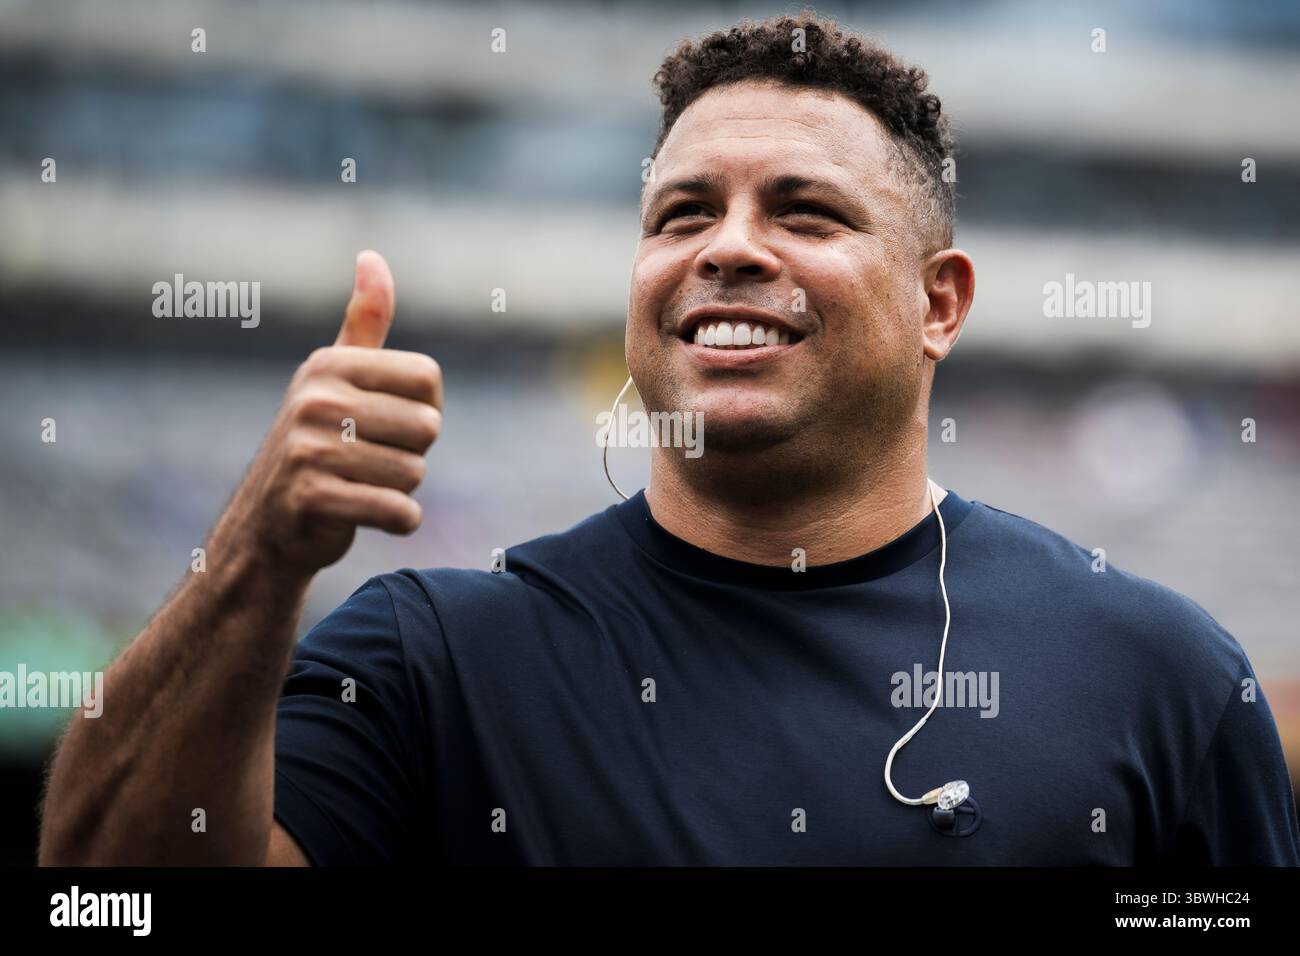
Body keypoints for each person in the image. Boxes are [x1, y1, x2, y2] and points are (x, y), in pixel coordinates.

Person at [38, 11, 1299, 866]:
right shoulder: (435, 663)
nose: (728, 245)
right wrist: (258, 556)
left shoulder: (1159, 678)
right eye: (682, 211)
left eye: (804, 210)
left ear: (939, 302)